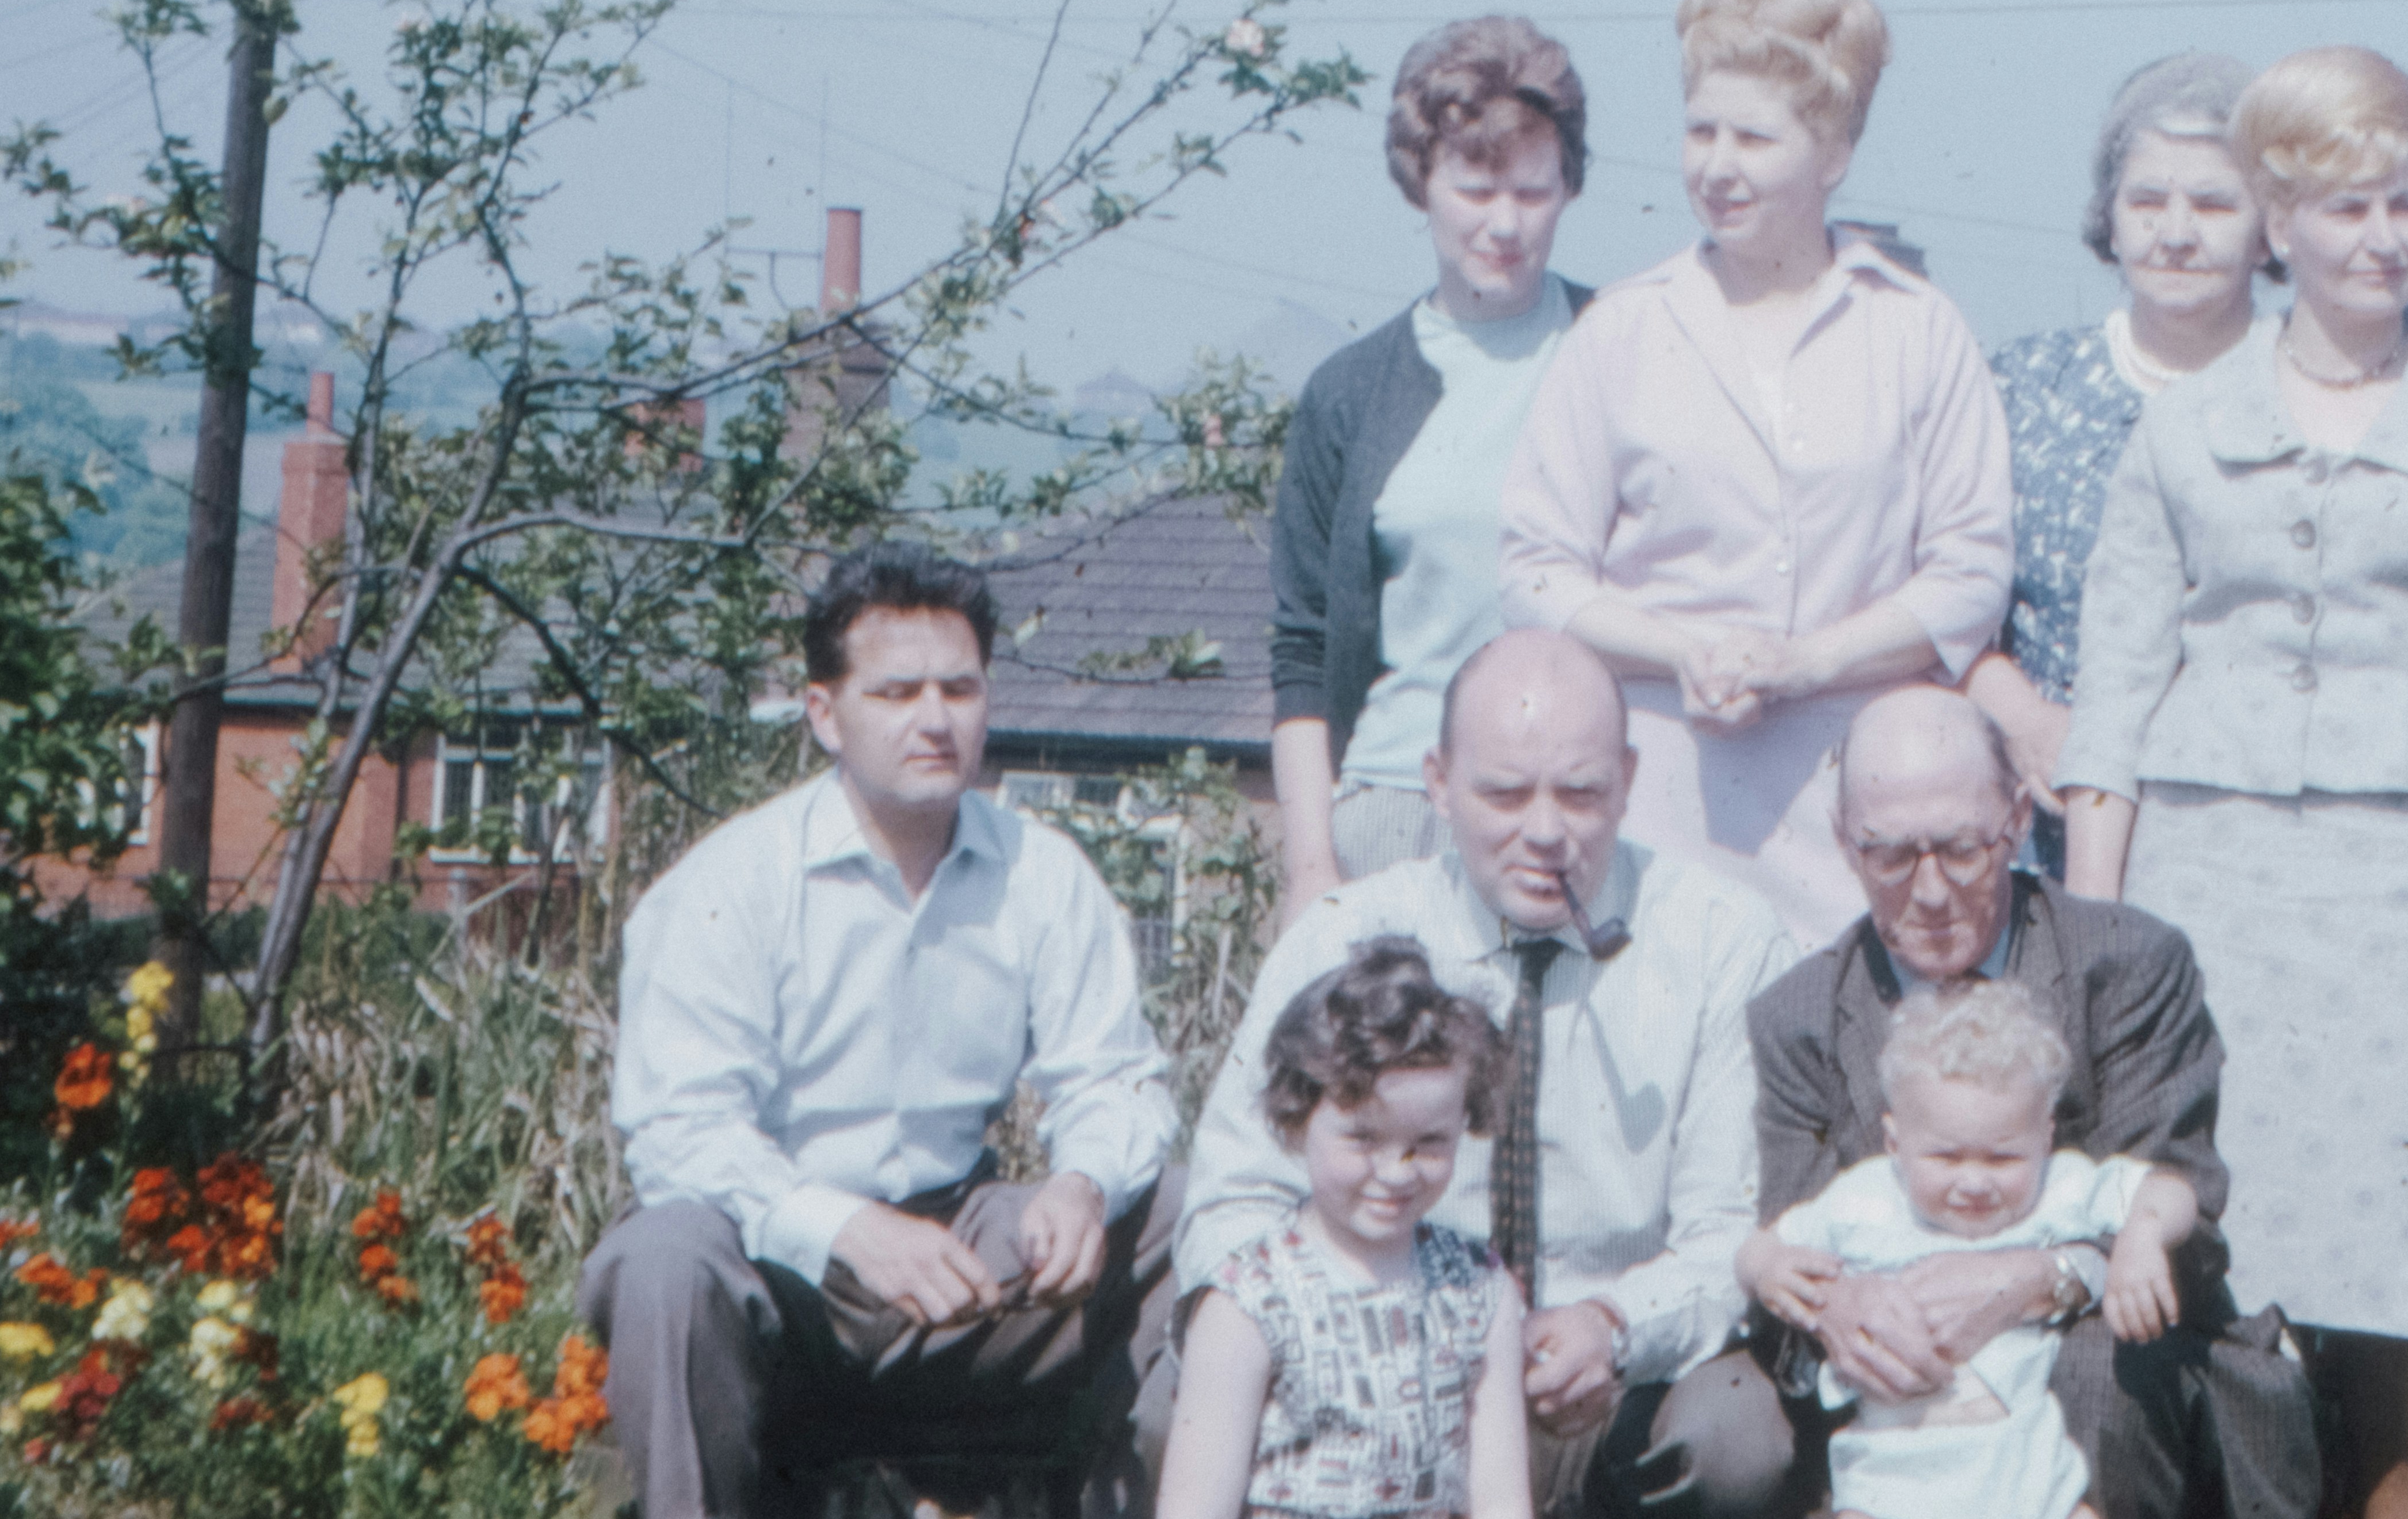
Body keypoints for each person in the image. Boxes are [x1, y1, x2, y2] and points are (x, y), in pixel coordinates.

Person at [2059, 51, 2408, 1519]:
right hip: (2207, 895)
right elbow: (2109, 700)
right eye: (2347, 207)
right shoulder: (2182, 427)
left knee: (2401, 1265)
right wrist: (2097, 954)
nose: (2384, 237)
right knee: (2206, 1248)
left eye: (2405, 201)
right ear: (2278, 223)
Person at [583, 543, 1176, 1519]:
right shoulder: (730, 882)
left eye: (959, 686)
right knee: (661, 1259)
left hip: (967, 1261)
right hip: (776, 1264)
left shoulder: (1043, 871)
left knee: (1183, 1216)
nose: (935, 719)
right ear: (825, 712)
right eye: (896, 690)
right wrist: (848, 1226)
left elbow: (1115, 1077)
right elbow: (680, 1133)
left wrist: (1082, 1179)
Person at [1176, 631, 1807, 1519]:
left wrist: (1616, 1328)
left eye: (1582, 793)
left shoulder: (1724, 941)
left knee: (1737, 1441)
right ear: (1437, 782)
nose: (1544, 832)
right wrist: (1358, 1330)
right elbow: (1232, 1199)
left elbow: (1733, 1230)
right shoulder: (1339, 935)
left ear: (1628, 778)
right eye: (1503, 793)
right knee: (1189, 1406)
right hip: (1377, 1365)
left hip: (1612, 1380)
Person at [1499, 0, 2014, 942]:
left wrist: (1805, 661)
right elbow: (1532, 570)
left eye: (1753, 136)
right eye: (1699, 130)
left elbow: (1968, 574)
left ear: (1833, 152)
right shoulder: (1619, 328)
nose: (1716, 165)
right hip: (1658, 793)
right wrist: (1686, 649)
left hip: (1852, 806)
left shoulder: (1918, 330)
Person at [1745, 688, 2315, 1519]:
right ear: (1844, 843)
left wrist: (2034, 1278)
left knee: (2094, 1370)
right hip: (1910, 1405)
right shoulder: (1797, 1019)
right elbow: (1788, 1251)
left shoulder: (2128, 964)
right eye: (1893, 856)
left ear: (2015, 818)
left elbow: (2185, 1227)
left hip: (2118, 1364)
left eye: (1961, 848)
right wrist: (1843, 1308)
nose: (1930, 890)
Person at [1270, 14, 1597, 911]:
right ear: (1421, 182)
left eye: (1532, 193)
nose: (1504, 224)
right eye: (1475, 187)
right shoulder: (1350, 393)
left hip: (1577, 815)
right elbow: (1301, 650)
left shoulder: (1622, 351)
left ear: (1568, 186)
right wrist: (1310, 868)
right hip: (1397, 813)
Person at [1965, 54, 2265, 832]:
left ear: (2270, 227)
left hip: (2243, 823)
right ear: (2109, 214)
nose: (2174, 233)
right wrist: (2027, 722)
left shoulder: (2304, 397)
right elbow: (1946, 602)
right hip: (2042, 816)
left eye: (2211, 204)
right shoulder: (2019, 387)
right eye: (2145, 200)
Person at [1763, 983, 2195, 1519]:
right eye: (1946, 1156)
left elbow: (2170, 1188)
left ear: (2044, 1136)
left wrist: (2143, 1234)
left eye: (2002, 1158)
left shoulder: (2056, 1190)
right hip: (1890, 1479)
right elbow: (1764, 1246)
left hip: (2026, 1476)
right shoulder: (1864, 1198)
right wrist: (1767, 1268)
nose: (1974, 1182)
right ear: (1896, 1144)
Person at [1155, 942, 1533, 1519]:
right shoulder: (1248, 1298)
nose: (1396, 1171)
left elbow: (1502, 1500)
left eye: (1428, 1142)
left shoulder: (1480, 1290)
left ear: (1464, 1122)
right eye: (1362, 1138)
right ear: (1298, 1116)